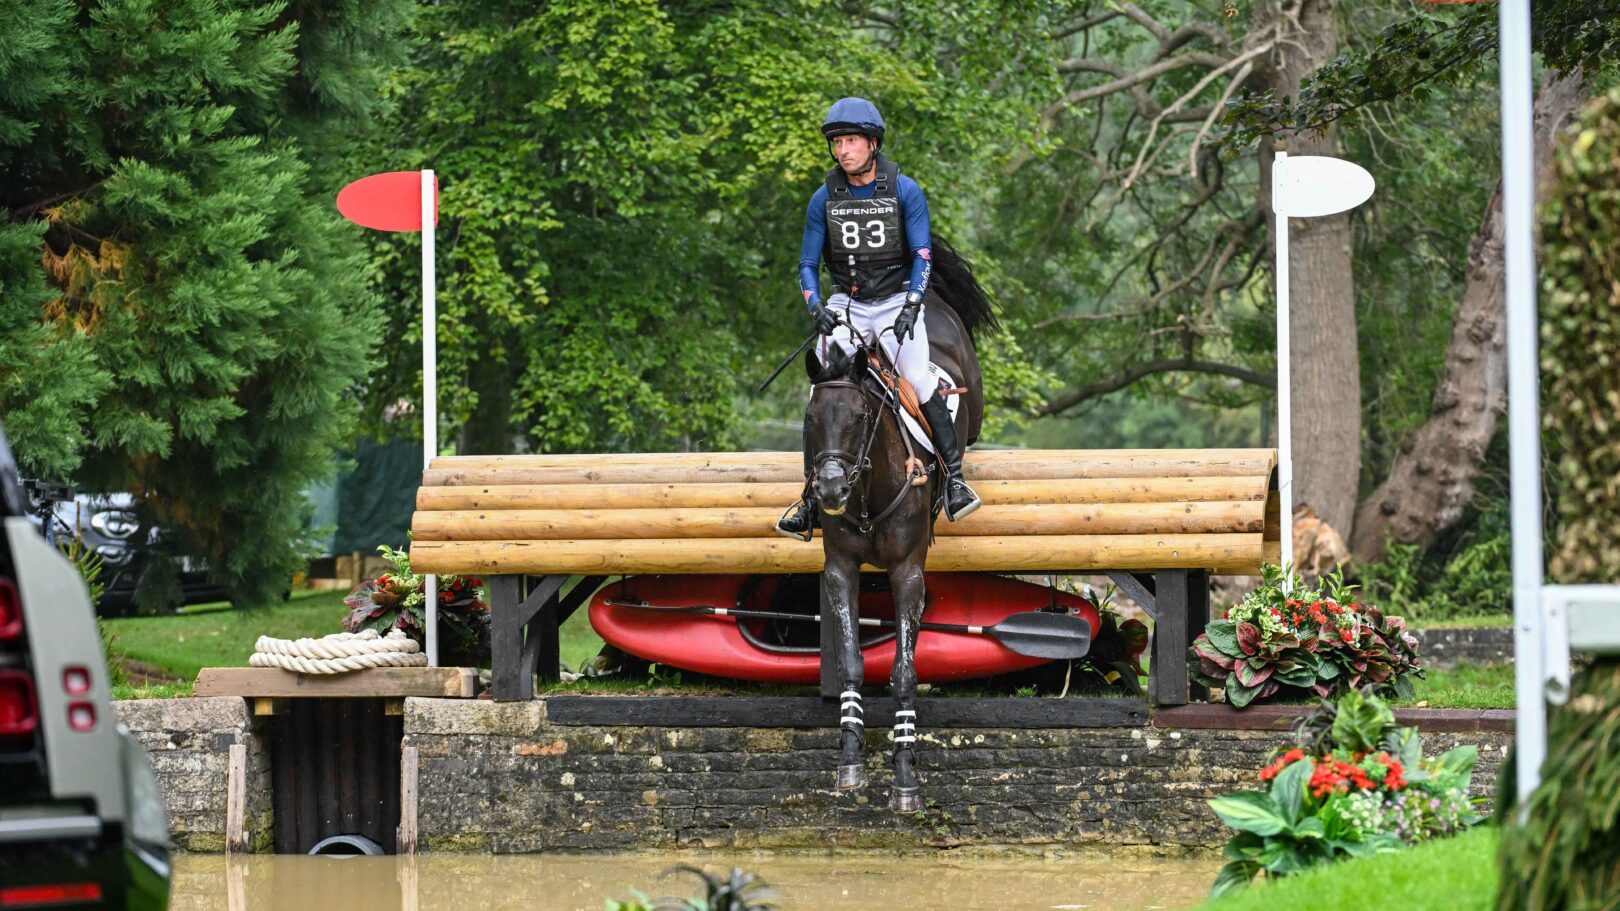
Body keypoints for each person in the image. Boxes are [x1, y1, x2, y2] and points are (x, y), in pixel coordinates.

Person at [775, 97, 981, 541]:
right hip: (846, 303)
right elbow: (807, 264)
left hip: (893, 300)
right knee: (820, 390)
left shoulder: (905, 191)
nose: (843, 150)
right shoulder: (823, 198)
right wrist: (816, 307)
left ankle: (955, 480)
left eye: (851, 141)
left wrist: (912, 305)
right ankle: (810, 499)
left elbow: (922, 254)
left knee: (918, 379)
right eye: (837, 143)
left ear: (872, 144)